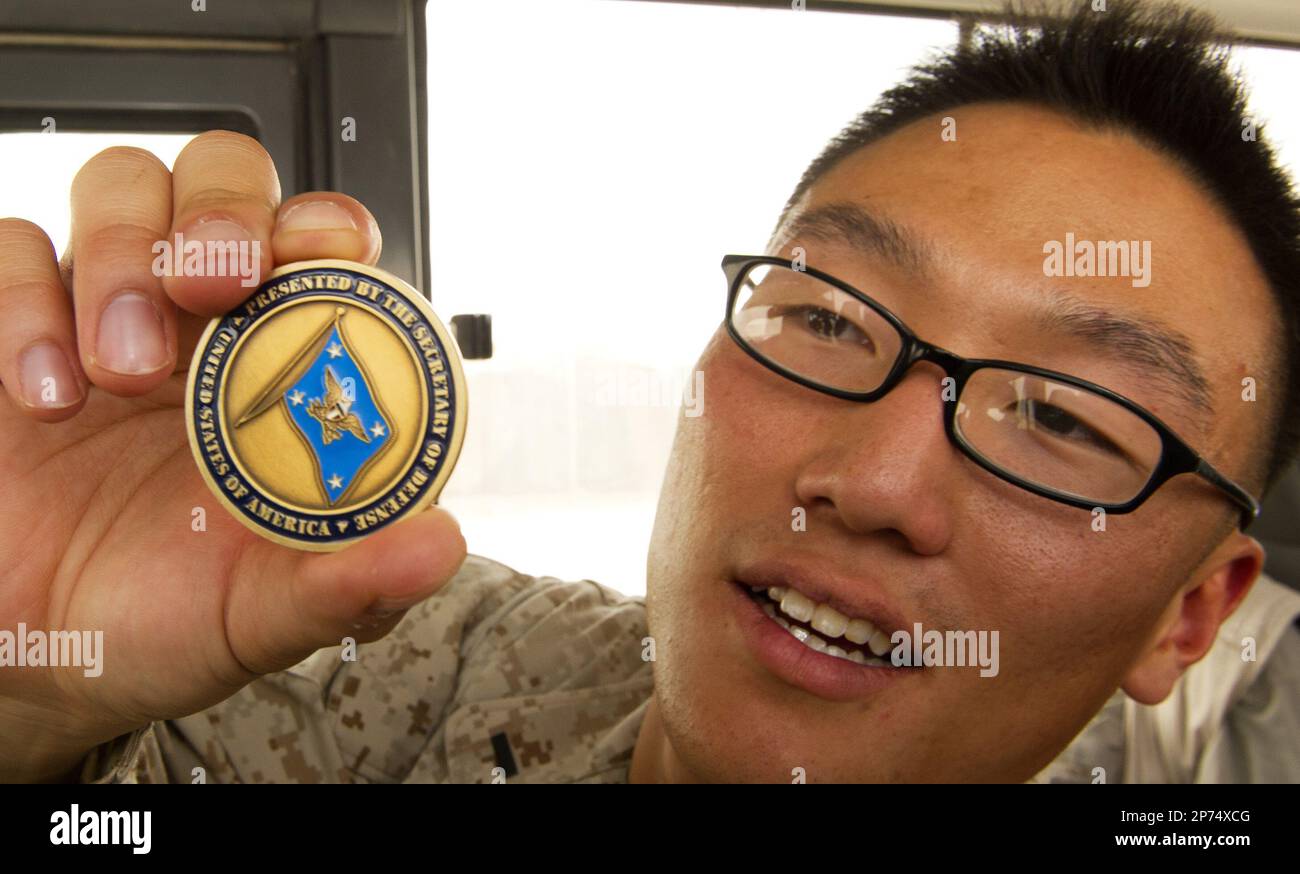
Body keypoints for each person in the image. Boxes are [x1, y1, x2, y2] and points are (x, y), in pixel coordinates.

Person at [2, 0, 1297, 784]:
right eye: (829, 317)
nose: (875, 480)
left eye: (1066, 417)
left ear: (1190, 613)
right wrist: (34, 678)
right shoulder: (397, 660)